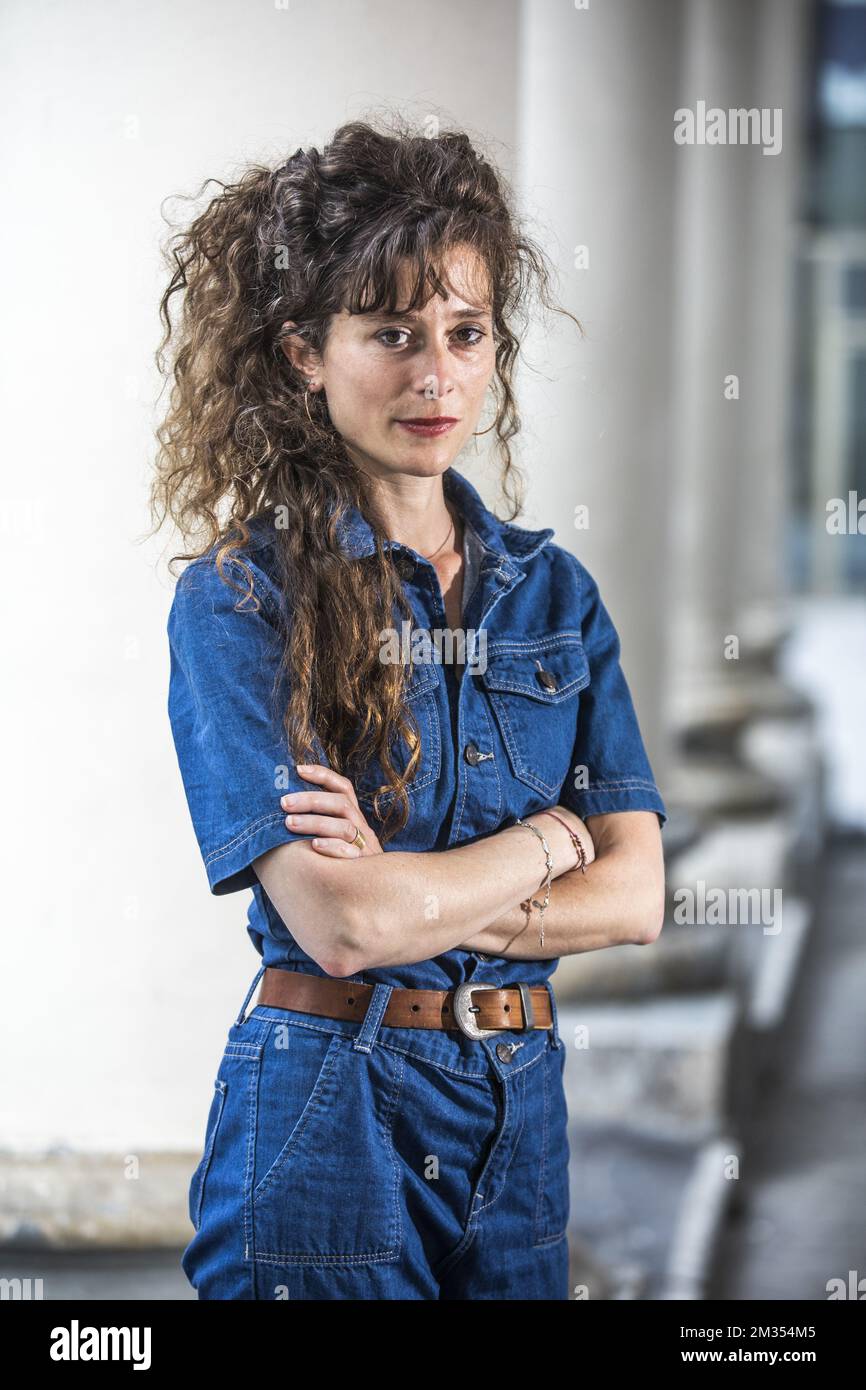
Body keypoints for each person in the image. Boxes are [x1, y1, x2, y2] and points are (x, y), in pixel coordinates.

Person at [150, 117, 667, 1301]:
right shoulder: (237, 602)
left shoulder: (553, 595)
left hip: (519, 1107)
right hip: (328, 1110)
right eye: (389, 333)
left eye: (464, 332)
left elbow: (636, 896)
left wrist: (413, 892)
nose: (435, 374)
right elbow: (340, 929)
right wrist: (547, 842)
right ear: (302, 353)